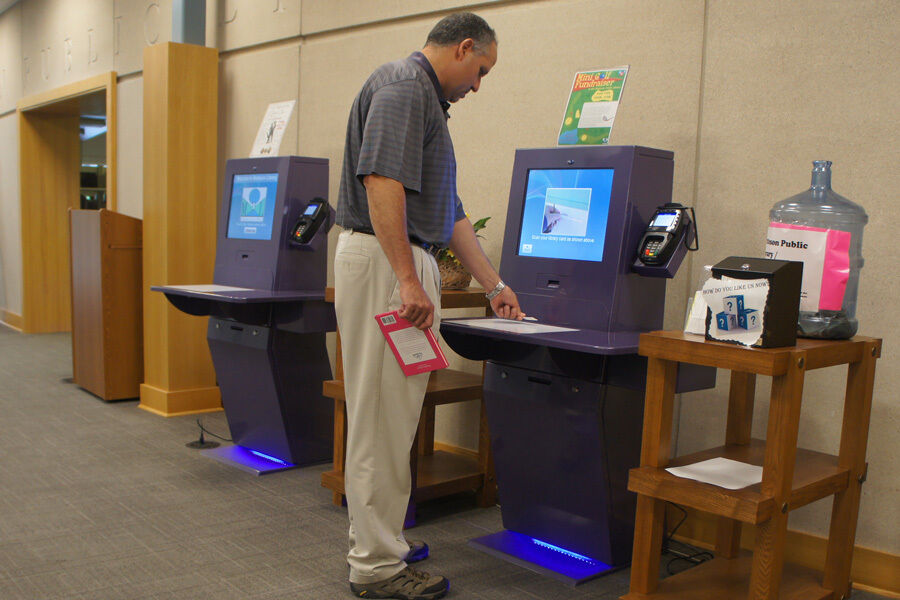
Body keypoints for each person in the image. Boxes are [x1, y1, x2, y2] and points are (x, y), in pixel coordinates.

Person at [333, 12, 524, 600]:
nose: (478, 85)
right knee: (380, 421)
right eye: (481, 70)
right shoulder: (402, 87)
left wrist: (494, 285)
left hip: (397, 262)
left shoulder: (423, 102)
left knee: (394, 417)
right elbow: (380, 181)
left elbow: (451, 211)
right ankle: (376, 568)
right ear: (464, 48)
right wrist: (405, 280)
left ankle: (381, 539)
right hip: (388, 263)